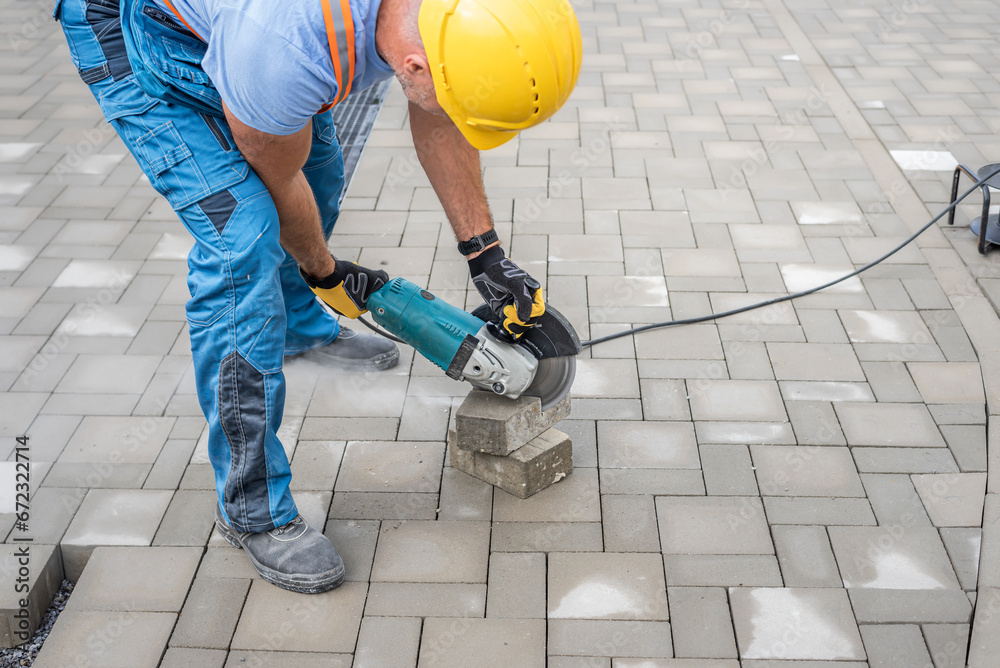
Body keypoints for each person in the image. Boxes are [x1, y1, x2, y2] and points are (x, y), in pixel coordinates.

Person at [55, 0, 580, 593]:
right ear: (413, 64)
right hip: (142, 27)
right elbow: (277, 177)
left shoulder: (444, 24)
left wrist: (485, 254)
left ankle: (296, 328)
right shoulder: (284, 48)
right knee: (243, 240)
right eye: (444, 91)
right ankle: (252, 507)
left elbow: (438, 113)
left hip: (249, 39)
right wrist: (327, 272)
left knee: (322, 172)